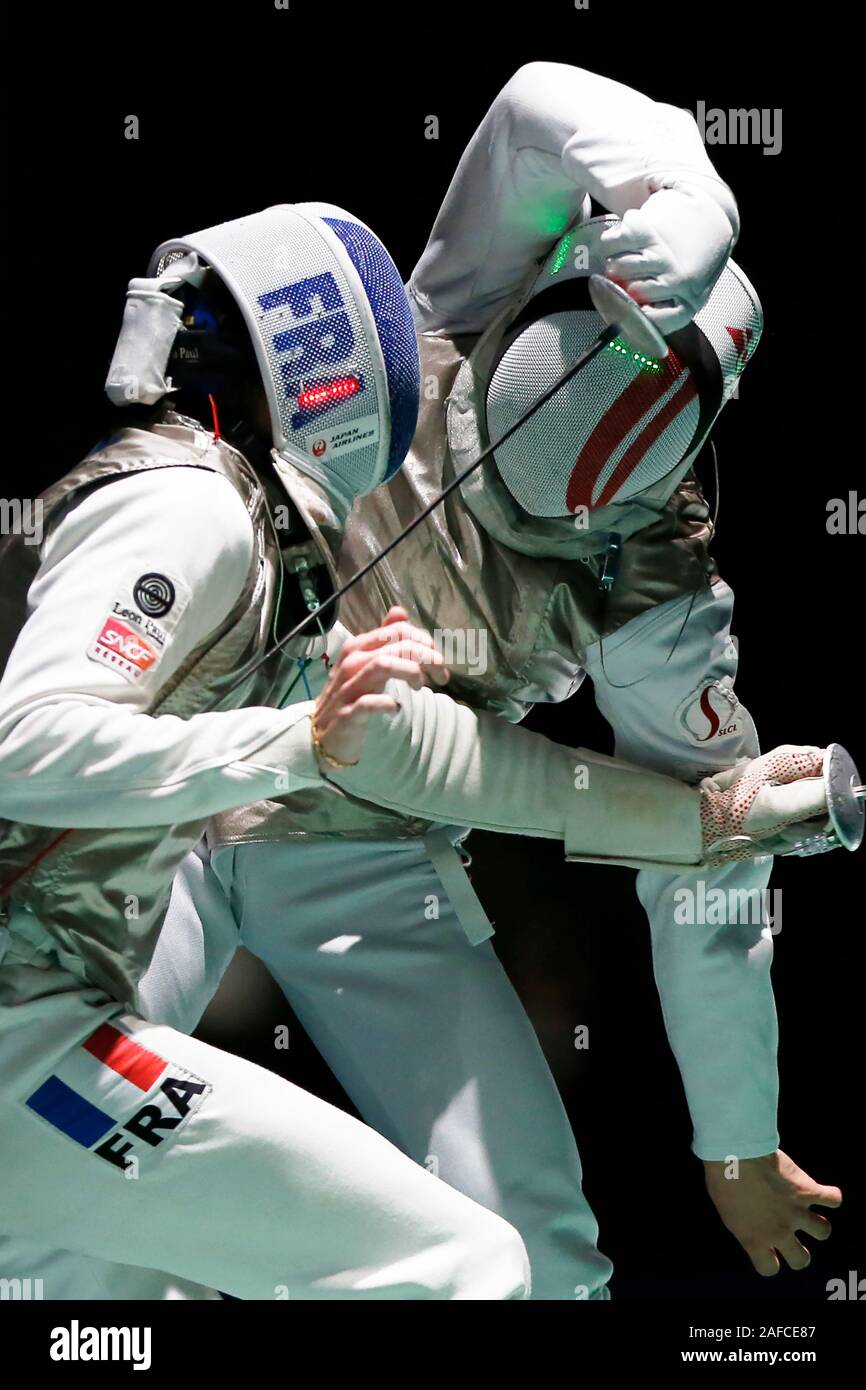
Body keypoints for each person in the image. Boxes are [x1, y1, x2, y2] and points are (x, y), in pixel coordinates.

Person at [1, 198, 839, 1301]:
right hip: (119, 906)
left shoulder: (284, 549)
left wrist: (699, 821)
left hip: (314, 878)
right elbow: (32, 747)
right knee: (107, 1256)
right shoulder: (200, 508)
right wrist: (682, 183)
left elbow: (425, 756)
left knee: (521, 1263)